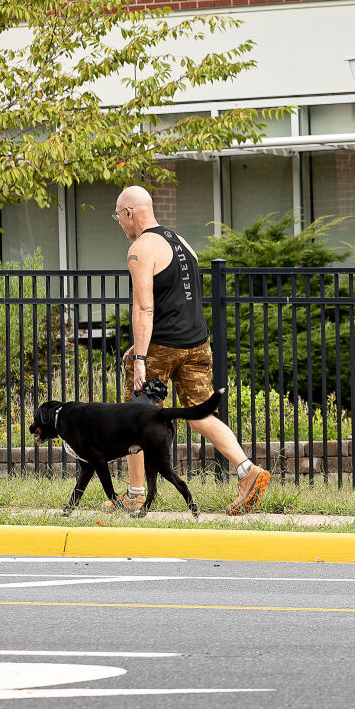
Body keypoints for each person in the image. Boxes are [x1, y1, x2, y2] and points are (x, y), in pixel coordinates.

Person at [113, 185, 270, 515]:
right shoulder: (182, 243)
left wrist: (141, 356)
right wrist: (138, 342)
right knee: (201, 415)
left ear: (129, 212)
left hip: (161, 348)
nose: (120, 224)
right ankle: (247, 470)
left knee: (135, 418)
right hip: (196, 343)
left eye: (119, 217)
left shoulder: (140, 249)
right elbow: (179, 301)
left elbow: (144, 307)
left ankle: (136, 495)